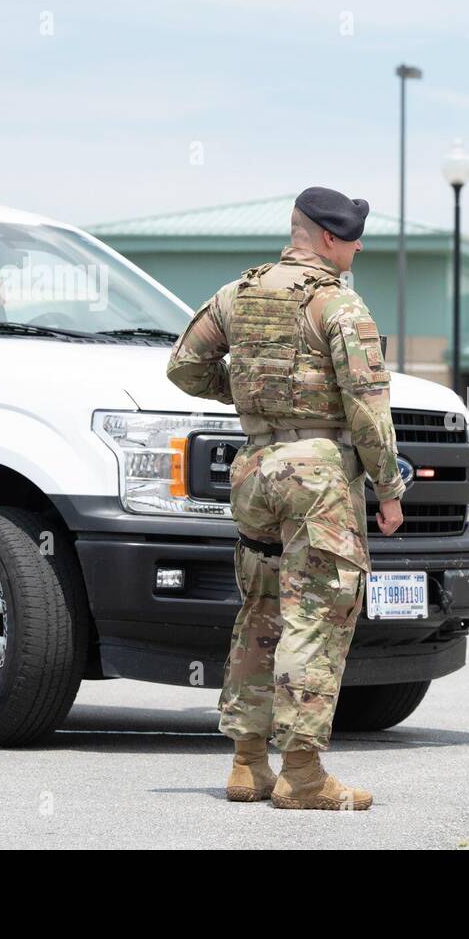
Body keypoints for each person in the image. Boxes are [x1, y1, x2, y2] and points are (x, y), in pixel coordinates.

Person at [166, 186, 405, 810]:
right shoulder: (339, 304)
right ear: (328, 239)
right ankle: (302, 775)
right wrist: (388, 489)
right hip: (318, 478)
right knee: (317, 617)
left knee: (260, 613)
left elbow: (185, 367)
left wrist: (252, 394)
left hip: (254, 470)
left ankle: (247, 764)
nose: (358, 248)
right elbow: (367, 409)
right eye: (352, 238)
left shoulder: (236, 293)